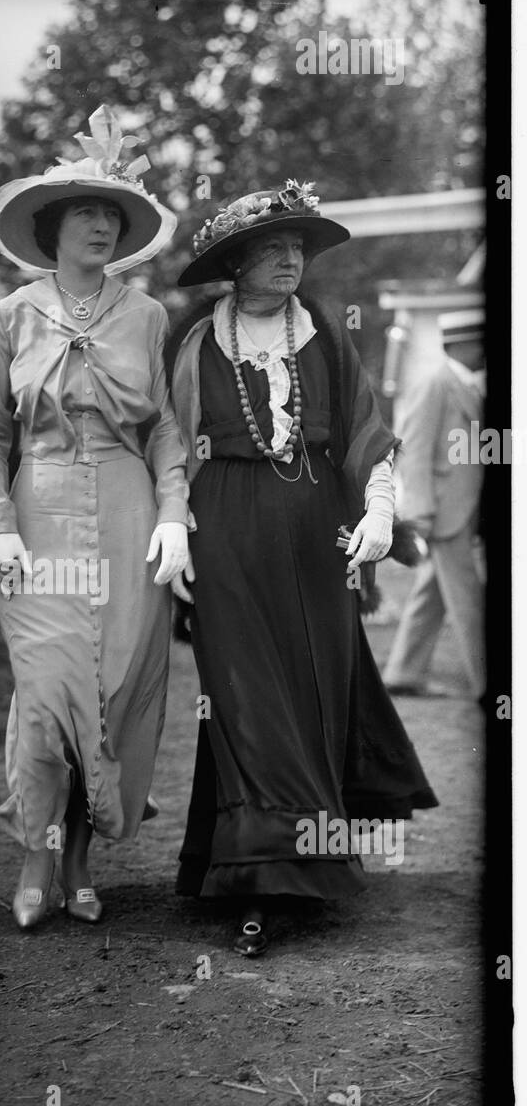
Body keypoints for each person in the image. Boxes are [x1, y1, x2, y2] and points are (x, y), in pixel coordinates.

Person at [169, 180, 437, 957]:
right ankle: (260, 885)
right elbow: (165, 442)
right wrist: (173, 523)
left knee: (316, 689)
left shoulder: (323, 330)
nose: (292, 261)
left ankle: (299, 862)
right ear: (237, 262)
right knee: (242, 698)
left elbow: (363, 428)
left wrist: (379, 511)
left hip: (318, 531)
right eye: (275, 249)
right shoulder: (193, 342)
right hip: (222, 534)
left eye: (299, 249)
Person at [0, 104, 192, 929]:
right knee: (48, 687)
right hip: (41, 506)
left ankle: (84, 859)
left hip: (130, 503)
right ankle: (35, 853)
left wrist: (175, 511)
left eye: (112, 214)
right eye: (86, 213)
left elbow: (164, 424)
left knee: (118, 684)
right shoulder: (10, 317)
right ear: (52, 228)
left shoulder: (147, 315)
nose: (100, 227)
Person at [383, 310, 486, 700]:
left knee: (433, 594)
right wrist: (421, 514)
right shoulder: (434, 385)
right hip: (444, 513)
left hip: (465, 509)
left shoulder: (470, 387)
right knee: (468, 599)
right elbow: (413, 453)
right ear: (460, 345)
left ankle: (402, 673)